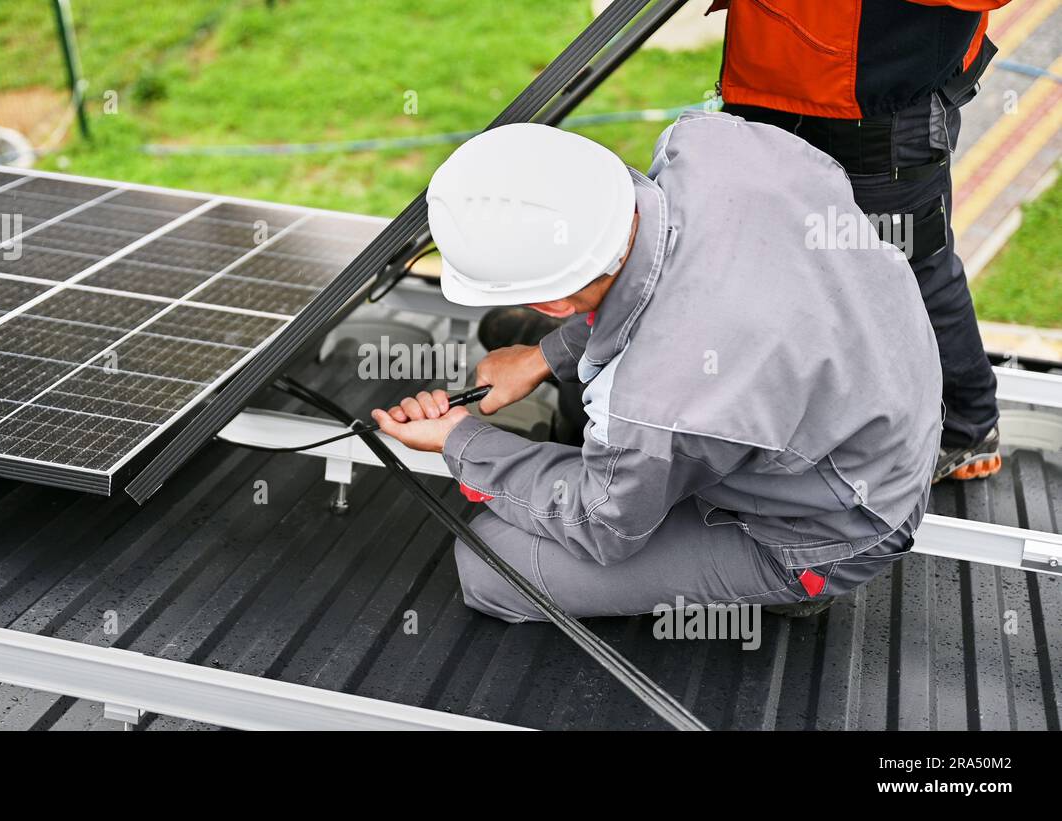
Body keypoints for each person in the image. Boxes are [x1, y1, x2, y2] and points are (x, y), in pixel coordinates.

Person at [370, 116, 942, 622]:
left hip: (839, 526)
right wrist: (546, 357)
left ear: (550, 304)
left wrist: (461, 440)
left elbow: (603, 524)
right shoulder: (711, 147)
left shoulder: (657, 400)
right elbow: (670, 269)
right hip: (890, 407)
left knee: (490, 561)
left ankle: (789, 588)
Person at [711, 0, 1012, 481]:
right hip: (776, 81)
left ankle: (966, 427)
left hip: (879, 103)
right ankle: (805, 407)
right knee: (776, 255)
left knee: (910, 265)